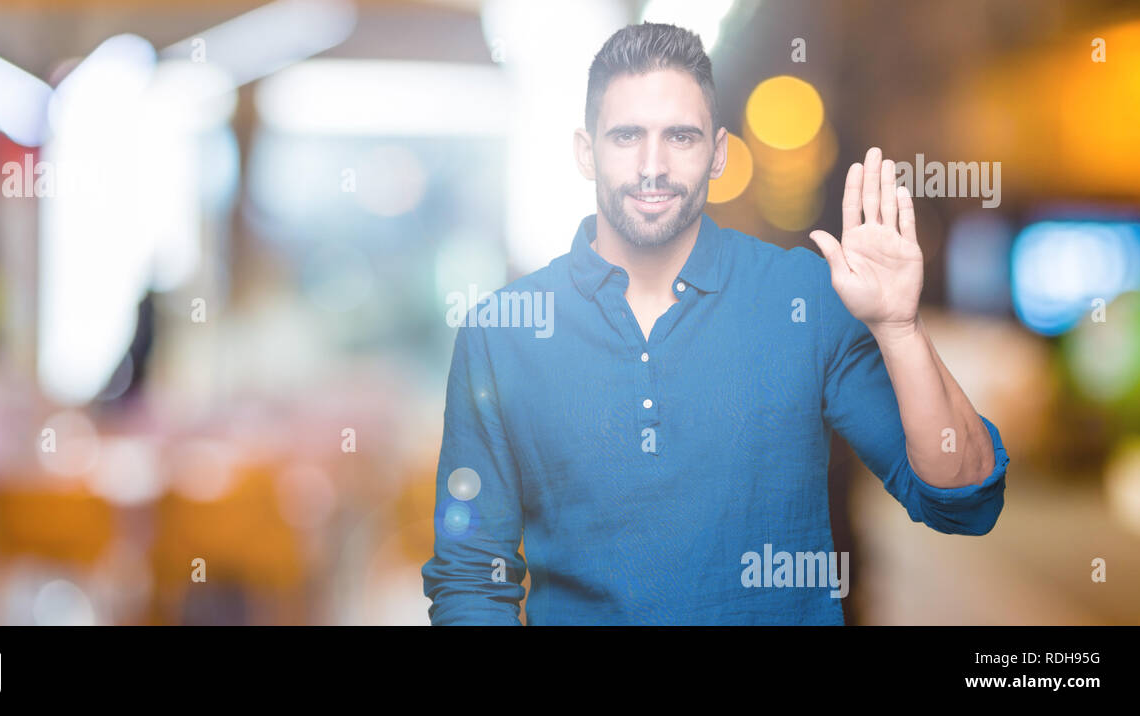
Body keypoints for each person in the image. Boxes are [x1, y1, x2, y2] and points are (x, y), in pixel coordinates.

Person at [422, 22, 1008, 625]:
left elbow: (964, 499)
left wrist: (898, 328)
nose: (653, 166)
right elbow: (471, 577)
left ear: (719, 152)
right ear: (584, 150)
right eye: (626, 136)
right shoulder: (501, 333)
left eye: (680, 136)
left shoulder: (804, 297)